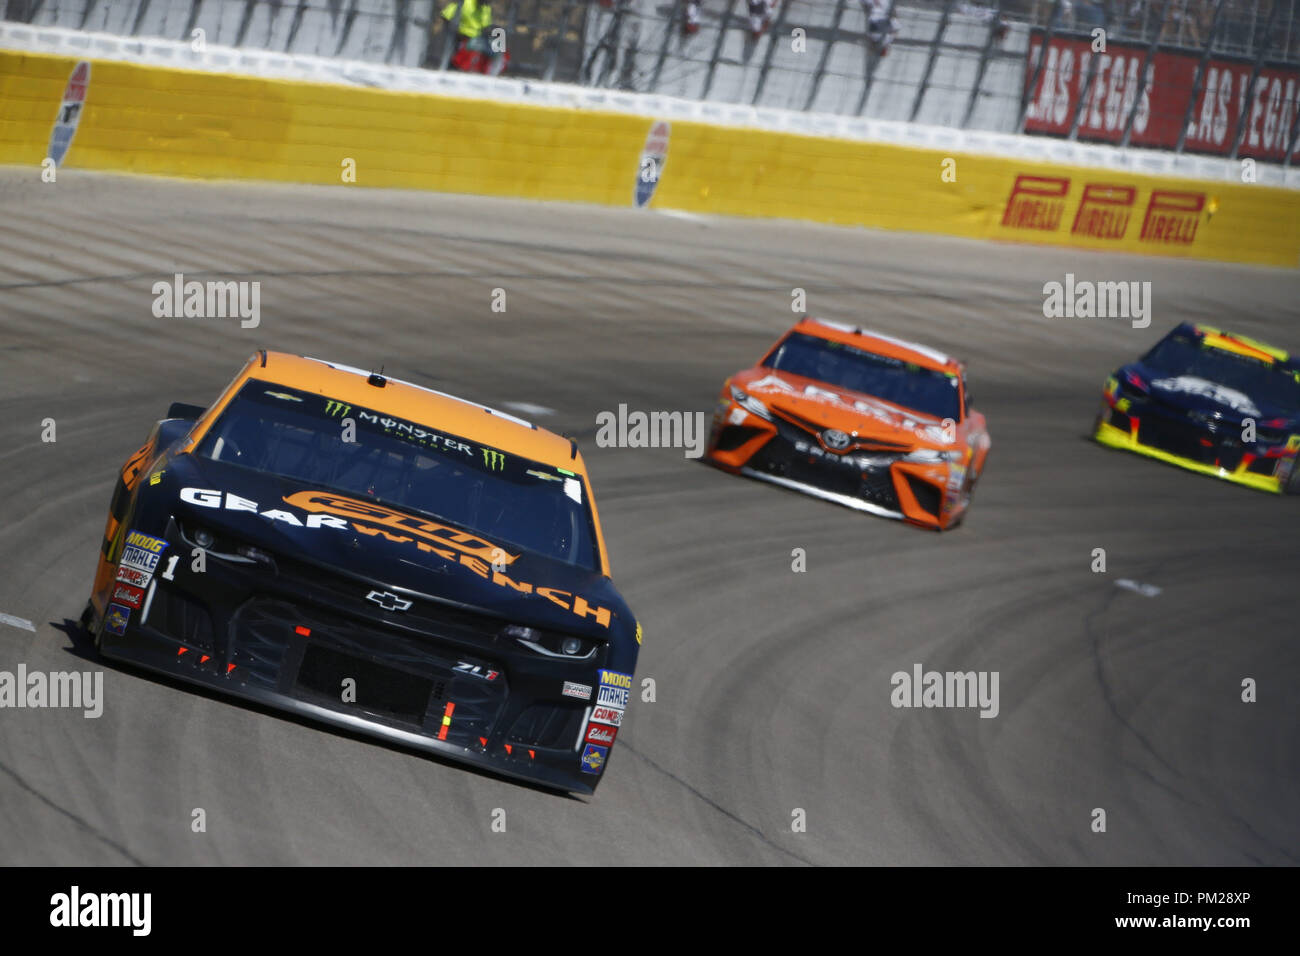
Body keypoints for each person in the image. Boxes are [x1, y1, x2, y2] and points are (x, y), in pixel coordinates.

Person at [440, 0, 502, 74]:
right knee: (474, 46)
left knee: (498, 47)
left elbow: (486, 26)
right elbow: (446, 16)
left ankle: (491, 73)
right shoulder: (466, 3)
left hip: (478, 38)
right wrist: (455, 32)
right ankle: (456, 67)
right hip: (463, 37)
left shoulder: (486, 8)